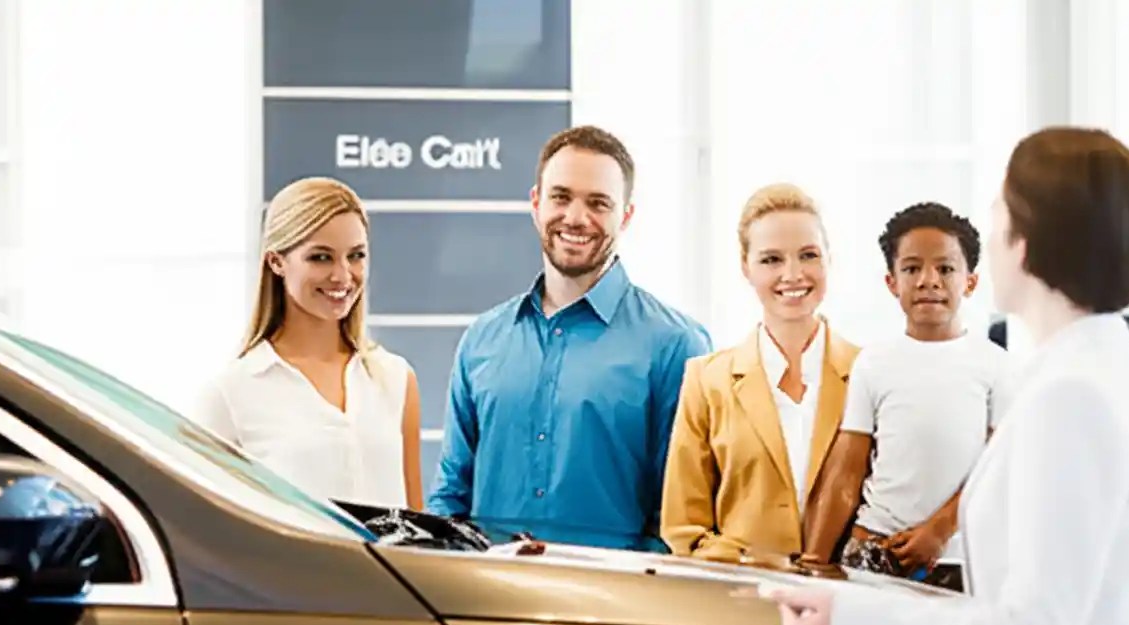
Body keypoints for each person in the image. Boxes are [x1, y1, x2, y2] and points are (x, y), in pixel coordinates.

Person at [765, 127, 1129, 625]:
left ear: (1027, 242)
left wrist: (848, 623)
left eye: (998, 218)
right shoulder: (1082, 372)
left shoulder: (1073, 395)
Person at [427, 125, 711, 550]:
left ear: (626, 216)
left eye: (598, 203)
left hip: (615, 605)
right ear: (536, 203)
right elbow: (450, 495)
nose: (576, 218)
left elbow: (679, 517)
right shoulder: (482, 339)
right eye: (561, 197)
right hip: (484, 602)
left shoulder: (677, 345)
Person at [802, 202, 1012, 590]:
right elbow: (848, 469)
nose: (928, 280)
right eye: (912, 268)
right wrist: (814, 564)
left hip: (957, 558)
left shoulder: (997, 366)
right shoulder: (873, 363)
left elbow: (1000, 471)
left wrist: (938, 529)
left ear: (970, 281)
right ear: (892, 282)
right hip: (874, 551)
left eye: (945, 269)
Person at [192, 177, 423, 510]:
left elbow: (417, 526)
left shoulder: (396, 378)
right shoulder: (229, 394)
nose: (343, 276)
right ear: (276, 262)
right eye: (320, 257)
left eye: (355, 256)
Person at [661, 183, 859, 562]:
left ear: (829, 259)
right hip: (742, 605)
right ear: (745, 267)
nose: (793, 274)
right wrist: (756, 566)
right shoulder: (707, 381)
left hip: (849, 605)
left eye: (808, 255)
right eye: (771, 260)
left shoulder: (869, 373)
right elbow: (684, 528)